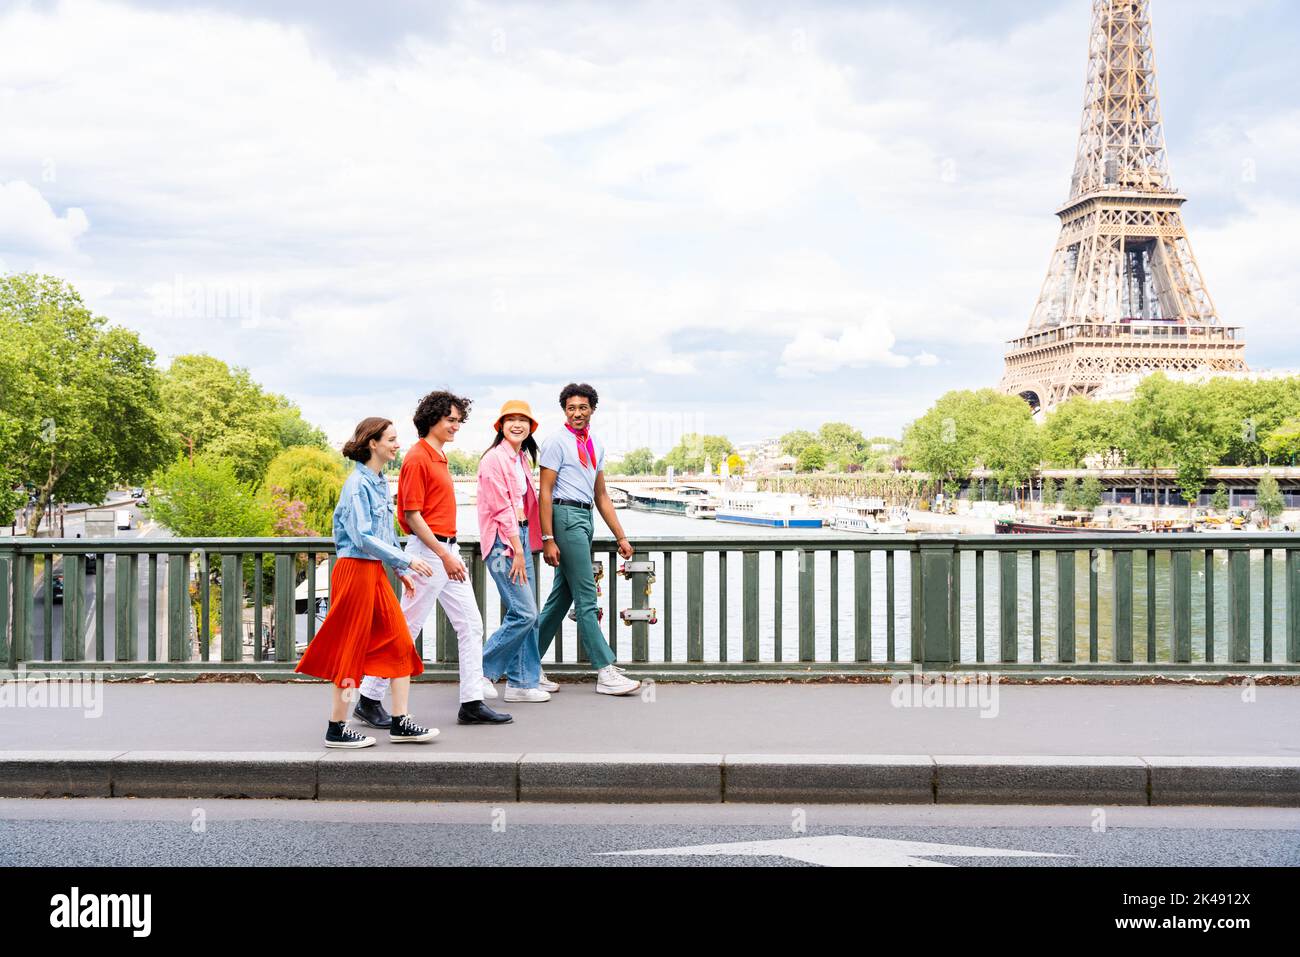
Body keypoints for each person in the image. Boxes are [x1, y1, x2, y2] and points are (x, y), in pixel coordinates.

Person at [353, 391, 511, 727]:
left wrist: (449, 553)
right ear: (432, 420)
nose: (456, 426)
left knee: (471, 625)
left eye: (458, 420)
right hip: (429, 554)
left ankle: (471, 702)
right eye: (450, 420)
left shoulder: (439, 457)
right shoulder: (417, 457)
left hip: (445, 551)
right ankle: (368, 698)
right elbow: (411, 515)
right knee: (405, 629)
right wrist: (443, 554)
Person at [294, 417, 439, 748]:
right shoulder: (357, 484)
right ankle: (337, 727)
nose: (396, 444)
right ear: (372, 443)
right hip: (355, 571)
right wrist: (406, 560)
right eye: (390, 439)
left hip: (373, 570)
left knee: (400, 642)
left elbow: (384, 533)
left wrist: (398, 569)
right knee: (351, 648)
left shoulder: (377, 481)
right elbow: (361, 535)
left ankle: (401, 722)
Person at [536, 383, 641, 695]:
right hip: (565, 518)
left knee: (560, 600)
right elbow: (545, 492)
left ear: (592, 409)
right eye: (571, 408)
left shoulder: (595, 444)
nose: (577, 413)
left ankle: (525, 664)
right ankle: (605, 671)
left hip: (585, 518)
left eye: (582, 407)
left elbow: (602, 495)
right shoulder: (556, 442)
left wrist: (621, 536)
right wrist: (548, 537)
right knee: (586, 596)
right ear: (564, 411)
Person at [476, 400, 556, 702]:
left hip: (519, 537)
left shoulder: (521, 458)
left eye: (523, 420)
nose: (517, 424)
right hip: (502, 543)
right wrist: (517, 549)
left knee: (528, 614)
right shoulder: (493, 460)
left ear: (531, 427)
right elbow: (500, 507)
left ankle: (522, 682)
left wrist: (534, 539)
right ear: (500, 426)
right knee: (524, 612)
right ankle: (480, 672)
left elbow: (525, 504)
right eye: (511, 420)